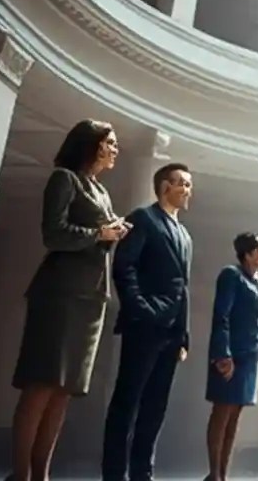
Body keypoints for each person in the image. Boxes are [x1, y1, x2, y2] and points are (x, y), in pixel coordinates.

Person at [11, 120, 127, 481]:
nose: (115, 149)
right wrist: (99, 233)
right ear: (91, 145)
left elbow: (97, 238)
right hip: (60, 293)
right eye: (110, 142)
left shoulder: (101, 191)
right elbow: (54, 234)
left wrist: (112, 234)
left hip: (91, 299)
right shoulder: (64, 179)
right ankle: (20, 474)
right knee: (41, 384)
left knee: (64, 390)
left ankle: (41, 474)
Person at [103, 163, 195, 481]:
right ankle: (114, 475)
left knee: (155, 406)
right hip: (144, 326)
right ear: (165, 186)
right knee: (127, 403)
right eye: (182, 183)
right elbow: (124, 267)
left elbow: (183, 287)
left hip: (171, 333)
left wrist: (183, 335)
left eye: (189, 184)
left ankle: (142, 472)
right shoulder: (143, 218)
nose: (188, 190)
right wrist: (140, 309)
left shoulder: (184, 234)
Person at [206, 233, 258, 481]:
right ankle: (215, 473)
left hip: (248, 358)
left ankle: (223, 473)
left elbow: (257, 318)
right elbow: (221, 315)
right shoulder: (231, 276)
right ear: (247, 253)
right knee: (222, 412)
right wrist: (223, 353)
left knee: (235, 415)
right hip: (231, 355)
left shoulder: (257, 282)